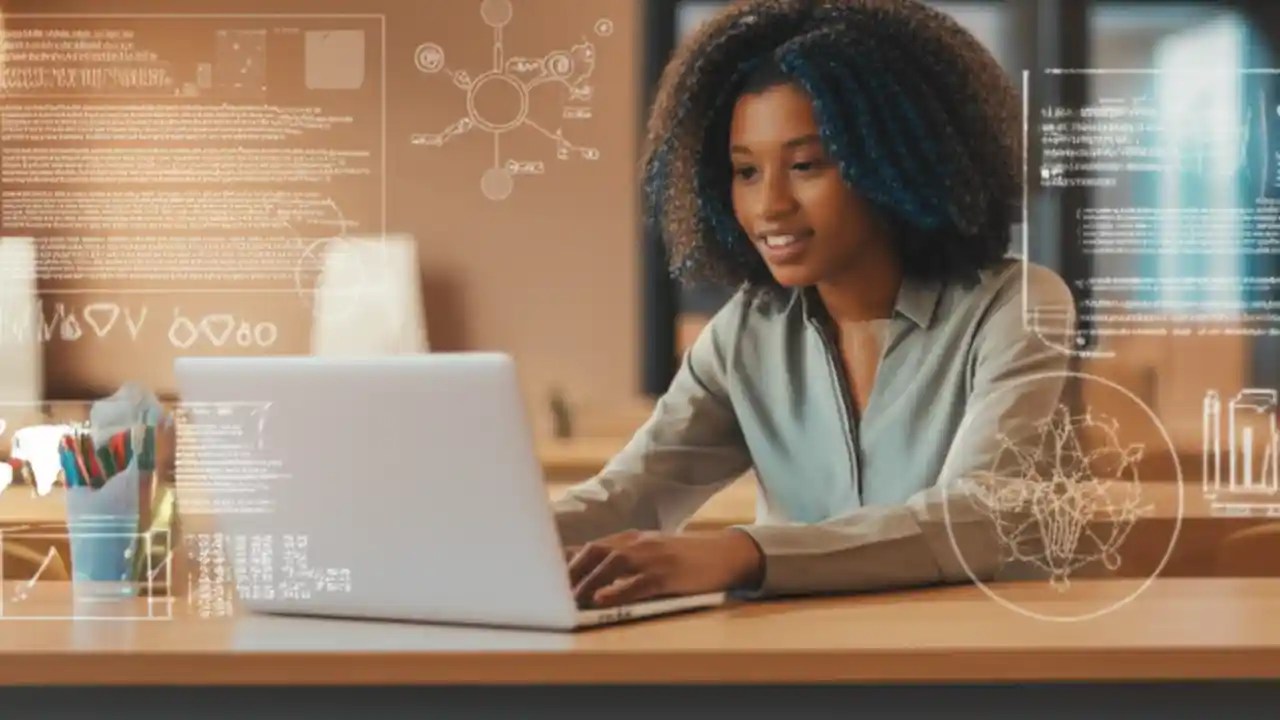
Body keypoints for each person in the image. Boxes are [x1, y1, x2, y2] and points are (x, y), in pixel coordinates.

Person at [554, 0, 1076, 609]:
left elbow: (977, 520)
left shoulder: (1016, 305)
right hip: (793, 669)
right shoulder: (747, 330)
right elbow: (634, 493)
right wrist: (482, 542)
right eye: (745, 171)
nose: (769, 206)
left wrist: (743, 553)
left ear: (893, 165)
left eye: (805, 165)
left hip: (963, 666)